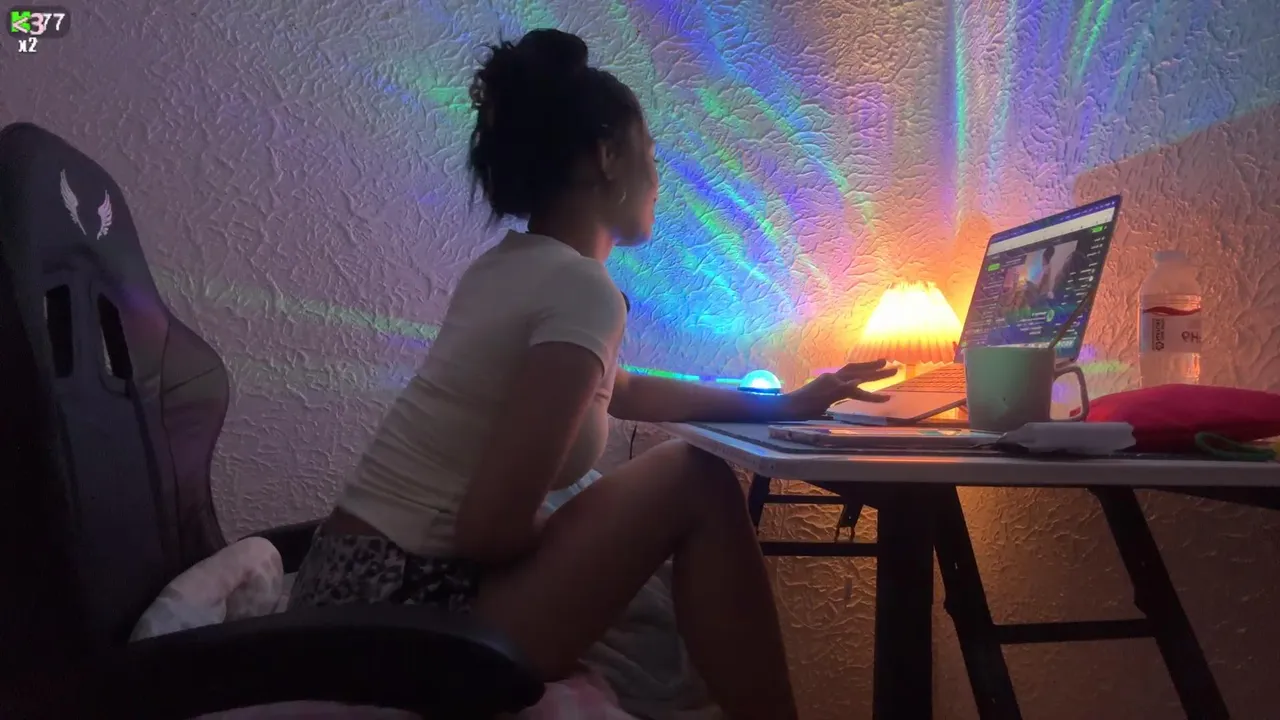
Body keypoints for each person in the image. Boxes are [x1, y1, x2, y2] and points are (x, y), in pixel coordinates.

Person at [287, 28, 894, 720]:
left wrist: (782, 405)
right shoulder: (581, 290)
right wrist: (590, 546)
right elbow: (488, 532)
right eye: (651, 154)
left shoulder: (509, 268)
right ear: (608, 157)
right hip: (395, 622)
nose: (659, 179)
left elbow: (619, 389)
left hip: (342, 590)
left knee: (684, 477)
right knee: (696, 480)